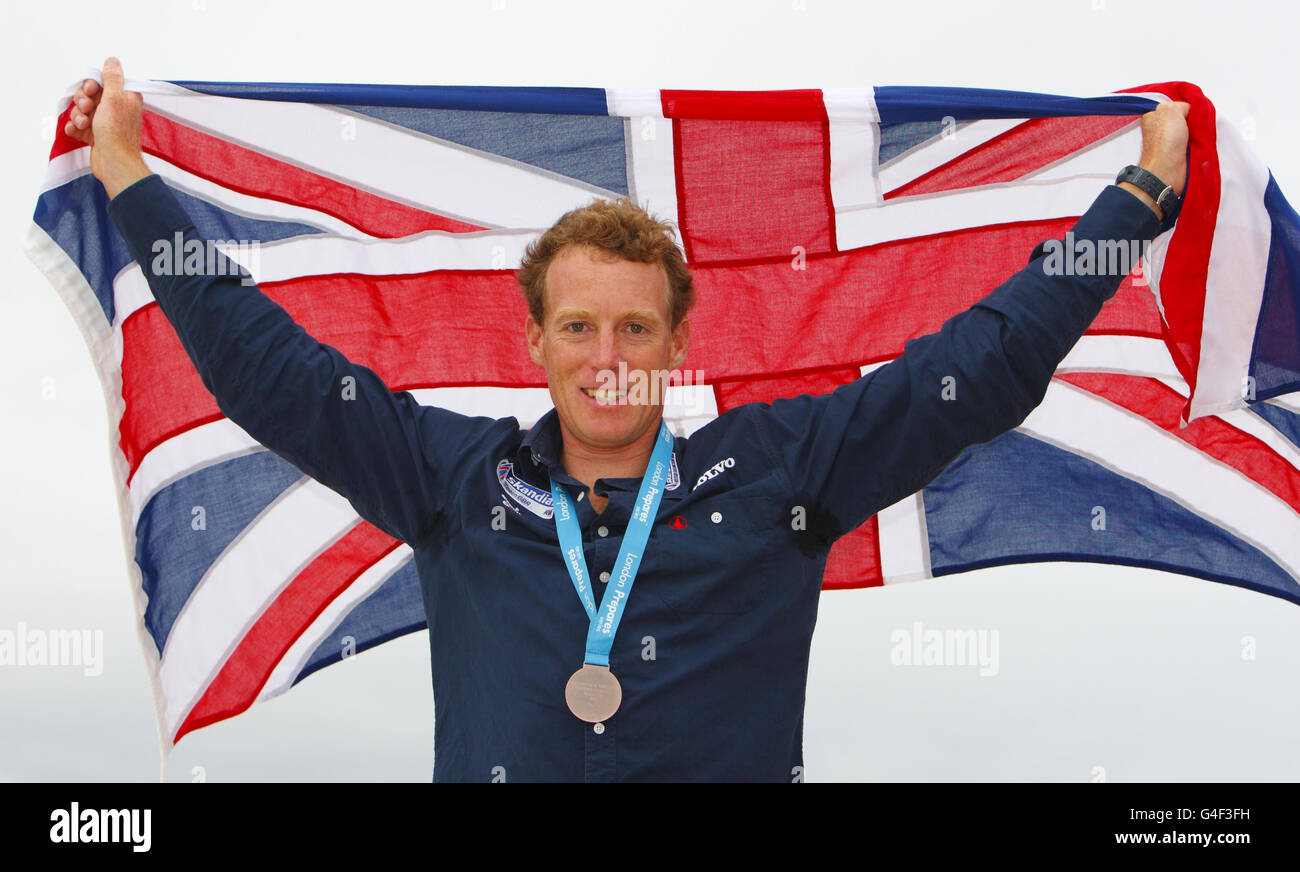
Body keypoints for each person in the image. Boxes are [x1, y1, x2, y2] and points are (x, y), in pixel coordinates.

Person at [67, 57, 1189, 782]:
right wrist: (126, 176)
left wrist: (1135, 201)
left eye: (636, 331)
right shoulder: (453, 478)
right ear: (536, 343)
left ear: (677, 343)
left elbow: (976, 369)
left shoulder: (779, 469)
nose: (607, 360)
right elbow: (266, 369)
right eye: (579, 329)